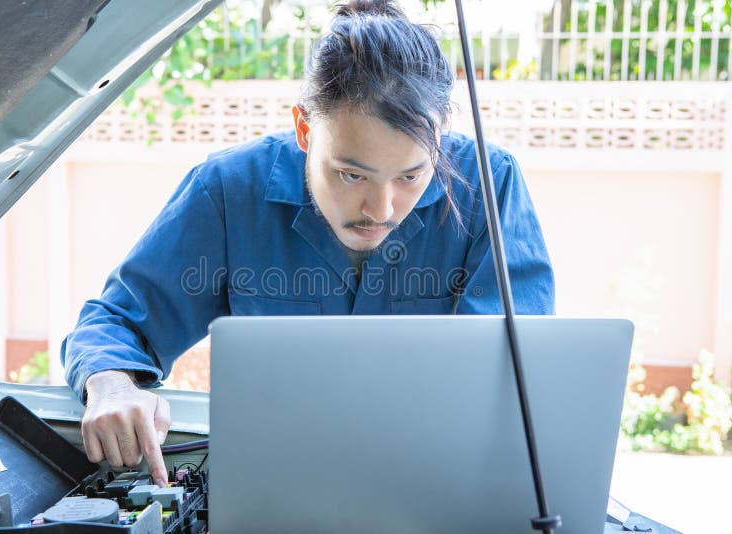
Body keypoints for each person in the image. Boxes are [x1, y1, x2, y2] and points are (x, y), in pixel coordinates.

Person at [62, 0, 555, 489]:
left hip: (441, 487)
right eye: (351, 173)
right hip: (276, 491)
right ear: (304, 128)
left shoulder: (492, 185)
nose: (381, 209)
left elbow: (514, 371)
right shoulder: (228, 191)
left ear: (439, 140)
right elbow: (117, 321)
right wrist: (109, 384)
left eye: (411, 175)